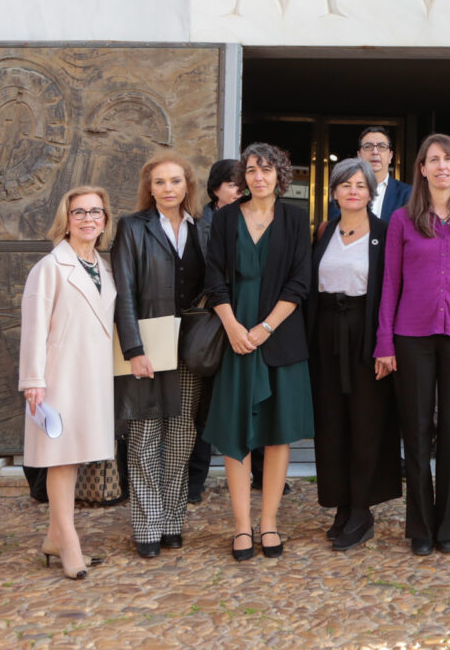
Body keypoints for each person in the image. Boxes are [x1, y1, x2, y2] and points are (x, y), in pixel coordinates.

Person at [375, 134, 450, 556]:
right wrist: (383, 343)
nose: (442, 166)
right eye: (433, 159)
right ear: (422, 169)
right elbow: (390, 283)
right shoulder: (401, 221)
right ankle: (420, 527)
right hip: (411, 336)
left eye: (449, 159)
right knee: (416, 431)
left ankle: (448, 524)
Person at [204, 142, 314, 561]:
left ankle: (268, 522)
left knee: (278, 433)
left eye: (266, 169)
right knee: (236, 431)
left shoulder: (294, 218)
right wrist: (233, 327)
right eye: (250, 169)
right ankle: (241, 526)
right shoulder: (226, 218)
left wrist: (265, 328)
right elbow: (214, 277)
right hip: (235, 334)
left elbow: (300, 282)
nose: (258, 176)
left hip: (279, 336)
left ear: (280, 175)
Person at [19, 186, 117, 580]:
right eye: (79, 212)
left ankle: (53, 538)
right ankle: (70, 542)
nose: (88, 218)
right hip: (58, 376)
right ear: (67, 218)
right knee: (61, 459)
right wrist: (33, 382)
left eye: (96, 212)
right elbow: (34, 328)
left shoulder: (103, 266)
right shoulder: (49, 266)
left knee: (75, 455)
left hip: (92, 375)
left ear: (105, 220)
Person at [111, 153, 206, 558]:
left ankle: (171, 521)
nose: (169, 188)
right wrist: (134, 349)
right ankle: (147, 525)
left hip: (189, 347)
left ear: (188, 186)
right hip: (148, 345)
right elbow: (124, 290)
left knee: (182, 434)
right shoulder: (132, 227)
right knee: (146, 435)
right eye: (160, 182)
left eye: (176, 181)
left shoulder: (202, 228)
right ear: (149, 188)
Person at [308, 157, 402, 551]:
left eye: (360, 185)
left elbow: (393, 292)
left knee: (367, 423)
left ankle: (363, 509)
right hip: (326, 334)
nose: (352, 191)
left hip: (367, 334)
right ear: (333, 192)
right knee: (331, 424)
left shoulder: (386, 233)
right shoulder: (323, 231)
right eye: (345, 184)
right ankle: (342, 505)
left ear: (371, 192)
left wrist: (387, 345)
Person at [187, 158, 240, 505]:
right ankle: (195, 479)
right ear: (216, 186)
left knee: (247, 398)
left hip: (246, 320)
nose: (241, 188)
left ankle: (263, 473)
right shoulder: (196, 224)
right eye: (234, 182)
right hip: (209, 321)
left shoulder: (255, 218)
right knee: (202, 404)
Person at [360, 126, 412, 222]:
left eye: (381, 147)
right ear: (359, 156)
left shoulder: (407, 194)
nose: (375, 152)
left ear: (390, 156)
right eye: (368, 146)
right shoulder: (345, 192)